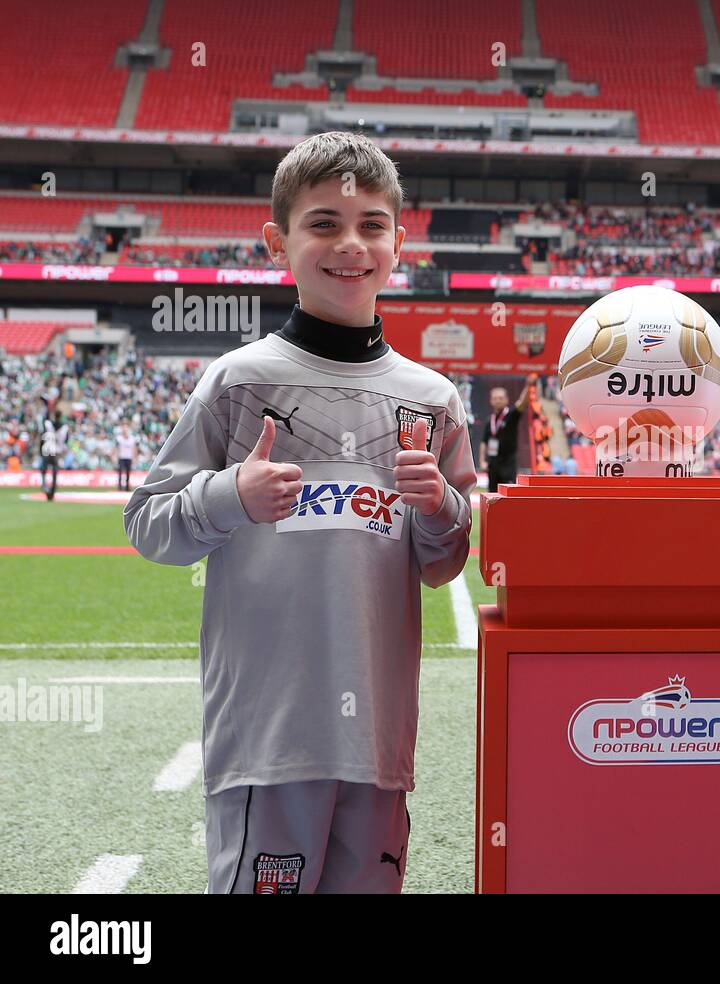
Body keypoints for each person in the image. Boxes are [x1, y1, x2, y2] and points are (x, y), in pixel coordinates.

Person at [125, 131, 476, 894]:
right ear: (277, 241)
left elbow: (442, 561)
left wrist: (440, 507)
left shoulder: (432, 399)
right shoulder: (236, 381)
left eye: (370, 225)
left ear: (398, 242)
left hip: (379, 744)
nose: (350, 244)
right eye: (323, 223)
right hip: (269, 738)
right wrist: (231, 496)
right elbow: (149, 524)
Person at [479, 374, 535, 492]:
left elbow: (522, 403)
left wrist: (528, 385)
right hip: (492, 464)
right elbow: (484, 442)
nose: (497, 400)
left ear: (506, 400)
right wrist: (482, 461)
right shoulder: (490, 420)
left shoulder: (511, 415)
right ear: (490, 401)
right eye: (495, 398)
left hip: (508, 464)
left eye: (500, 398)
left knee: (507, 494)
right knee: (492, 495)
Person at [39, 408, 68, 501]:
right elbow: (66, 440)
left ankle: (45, 486)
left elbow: (43, 437)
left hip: (47, 450)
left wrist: (41, 449)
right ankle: (53, 490)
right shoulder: (64, 427)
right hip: (57, 452)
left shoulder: (48, 424)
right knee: (55, 472)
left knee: (44, 469)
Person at [115, 423, 137, 492]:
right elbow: (116, 448)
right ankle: (120, 487)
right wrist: (115, 456)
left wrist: (134, 457)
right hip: (121, 457)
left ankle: (127, 487)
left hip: (129, 457)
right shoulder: (119, 438)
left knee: (128, 473)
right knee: (120, 472)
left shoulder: (132, 438)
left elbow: (134, 448)